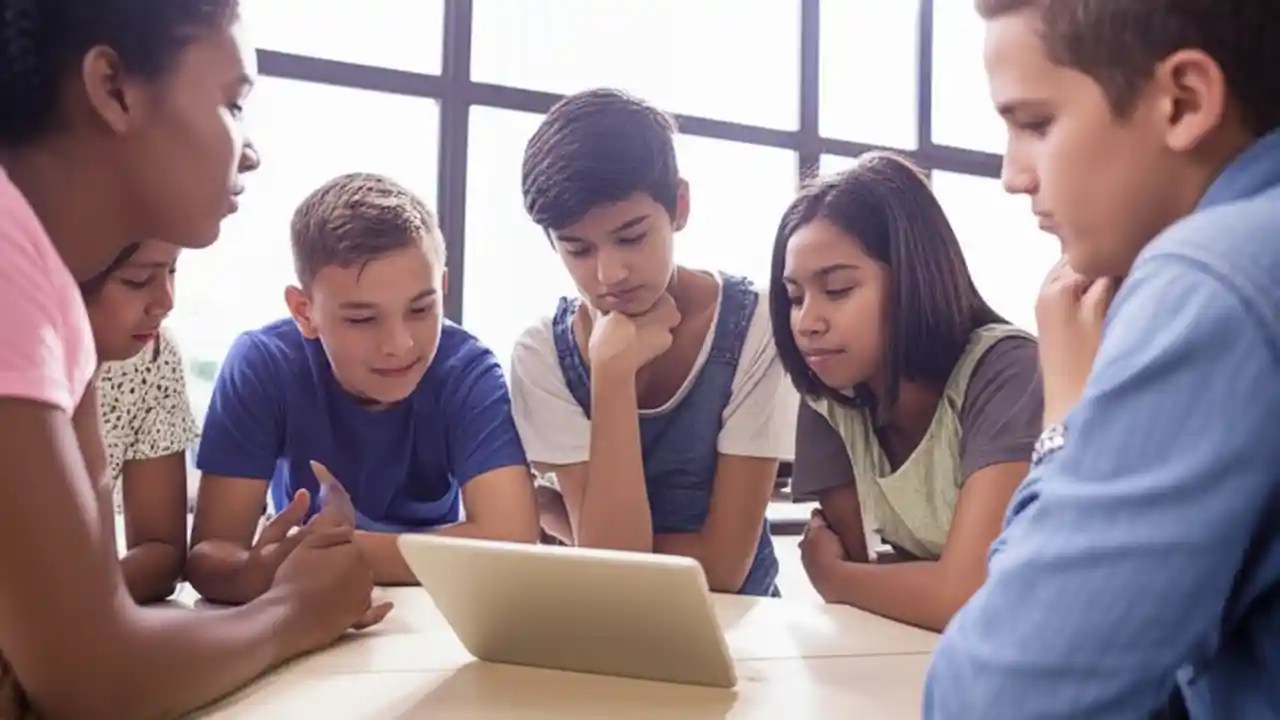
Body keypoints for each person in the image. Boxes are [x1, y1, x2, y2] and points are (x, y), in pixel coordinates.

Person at [0, 1, 386, 717]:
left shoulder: (51, 292)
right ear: (113, 88)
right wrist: (295, 613)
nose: (250, 151)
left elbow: (87, 632)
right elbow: (93, 681)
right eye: (232, 102)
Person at [924, 1, 1280, 717]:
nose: (1012, 175)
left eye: (1035, 124)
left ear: (1183, 100)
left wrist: (1065, 419)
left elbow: (995, 699)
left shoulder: (1212, 278)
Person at [187, 172, 539, 603]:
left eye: (421, 308)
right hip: (304, 601)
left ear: (443, 288)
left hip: (434, 608)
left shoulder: (468, 371)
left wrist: (319, 555)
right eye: (361, 319)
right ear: (304, 311)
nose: (399, 345)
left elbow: (513, 546)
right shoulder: (263, 364)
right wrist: (263, 570)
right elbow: (210, 556)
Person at [510, 88, 793, 596]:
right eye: (577, 249)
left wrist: (569, 526)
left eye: (632, 236)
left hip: (741, 632)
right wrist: (612, 375)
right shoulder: (542, 354)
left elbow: (724, 571)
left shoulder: (758, 325)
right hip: (610, 629)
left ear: (679, 207)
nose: (609, 274)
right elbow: (612, 576)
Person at [775, 153, 1041, 631]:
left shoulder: (1009, 372)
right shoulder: (829, 398)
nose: (807, 323)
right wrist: (875, 579)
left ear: (913, 280)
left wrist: (834, 577)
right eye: (795, 297)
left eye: (837, 290)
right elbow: (874, 577)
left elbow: (966, 597)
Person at [81, 240, 199, 604]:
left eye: (172, 270)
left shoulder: (149, 357)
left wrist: (60, 604)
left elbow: (162, 552)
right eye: (136, 280)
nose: (166, 301)